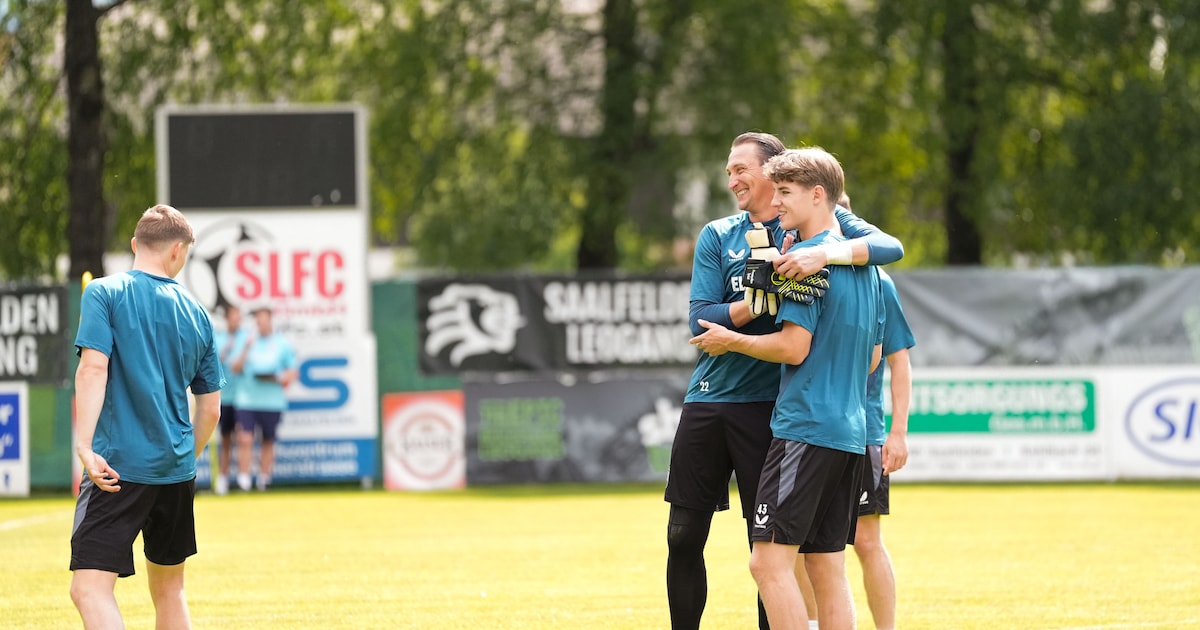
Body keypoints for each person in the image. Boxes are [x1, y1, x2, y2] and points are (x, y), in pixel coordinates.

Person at [665, 132, 904, 630]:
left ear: (810, 193)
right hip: (840, 427)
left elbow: (795, 346)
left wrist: (736, 338)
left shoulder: (805, 259)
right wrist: (756, 308)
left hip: (798, 423)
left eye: (784, 192)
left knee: (768, 561)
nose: (775, 201)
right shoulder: (855, 268)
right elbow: (874, 356)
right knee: (824, 564)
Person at [70, 204, 224, 628]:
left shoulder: (102, 292)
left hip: (117, 468)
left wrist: (83, 445)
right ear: (178, 251)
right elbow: (210, 408)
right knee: (170, 590)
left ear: (137, 245)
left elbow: (92, 367)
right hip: (176, 472)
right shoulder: (198, 314)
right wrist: (184, 456)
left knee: (89, 589)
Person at [794, 192, 916, 630]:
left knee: (866, 540)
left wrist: (896, 433)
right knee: (798, 544)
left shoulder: (877, 280)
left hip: (861, 430)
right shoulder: (802, 268)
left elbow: (897, 358)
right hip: (812, 427)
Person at [234, 305, 298, 491]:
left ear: (270, 319)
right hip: (247, 399)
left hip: (271, 401)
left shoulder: (281, 344)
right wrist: (246, 347)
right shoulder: (246, 341)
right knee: (245, 438)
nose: (259, 323)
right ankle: (244, 479)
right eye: (257, 319)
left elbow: (292, 372)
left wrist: (276, 378)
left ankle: (264, 478)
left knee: (268, 439)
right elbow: (235, 368)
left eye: (262, 318)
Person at [212, 303, 249, 495]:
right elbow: (216, 362)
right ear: (227, 318)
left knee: (244, 438)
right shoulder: (219, 338)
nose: (237, 320)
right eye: (233, 316)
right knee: (225, 439)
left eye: (239, 316)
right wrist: (228, 348)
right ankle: (223, 480)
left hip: (244, 398)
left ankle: (244, 480)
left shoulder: (247, 338)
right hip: (224, 397)